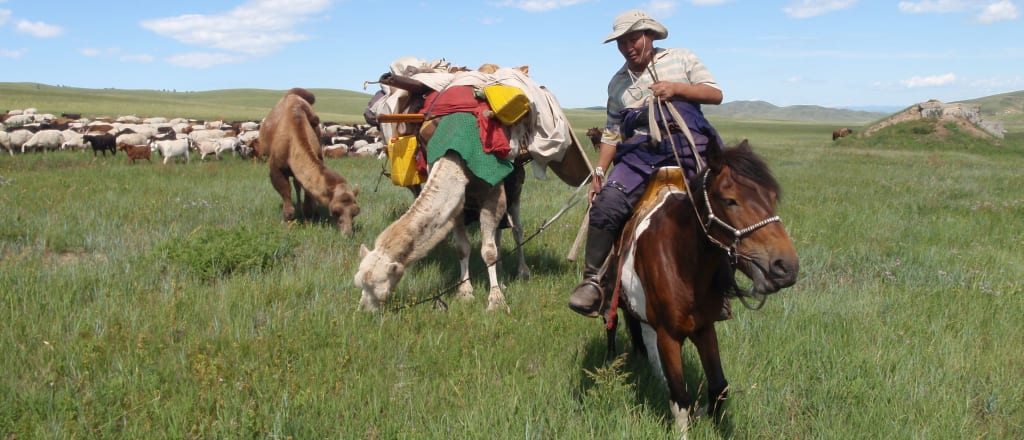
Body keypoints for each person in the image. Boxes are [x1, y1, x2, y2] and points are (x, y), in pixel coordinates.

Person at [568, 9, 729, 318]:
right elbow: (613, 132)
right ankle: (594, 282)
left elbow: (715, 93)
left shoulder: (681, 58)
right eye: (622, 43)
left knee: (719, 205)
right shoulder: (617, 84)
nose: (628, 48)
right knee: (606, 205)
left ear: (649, 36)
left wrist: (677, 88)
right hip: (640, 154)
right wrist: (599, 171)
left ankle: (720, 287)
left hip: (689, 145)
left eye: (633, 39)